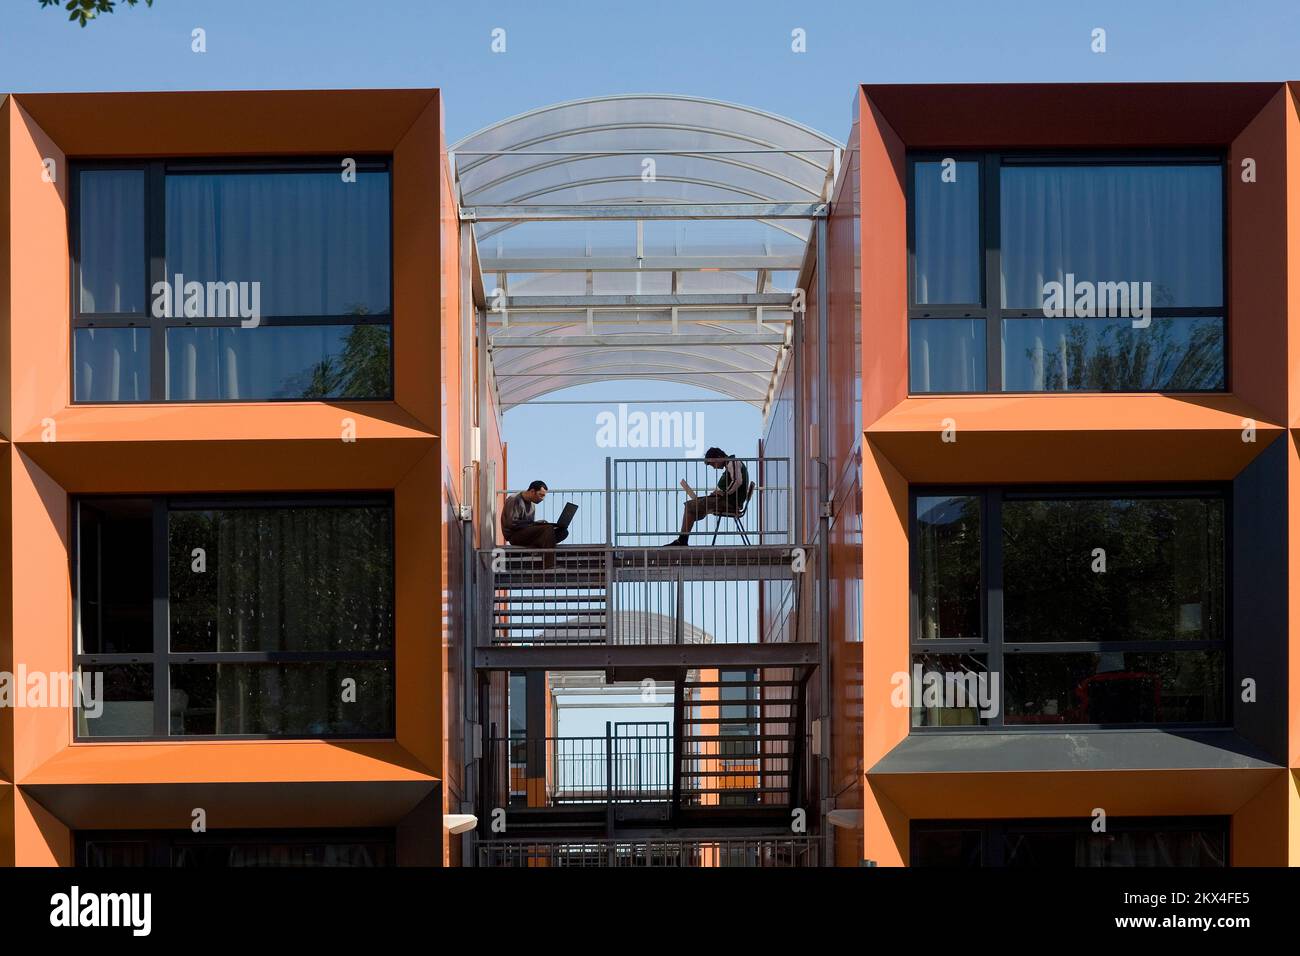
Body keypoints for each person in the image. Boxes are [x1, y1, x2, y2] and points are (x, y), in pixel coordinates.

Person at [662, 448, 749, 547]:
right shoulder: (730, 464)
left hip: (730, 502)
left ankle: (682, 540)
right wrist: (719, 493)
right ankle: (682, 540)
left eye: (713, 464)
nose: (714, 468)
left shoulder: (733, 462)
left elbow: (737, 481)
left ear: (719, 457)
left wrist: (724, 493)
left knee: (690, 506)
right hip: (728, 500)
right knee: (692, 508)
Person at [501, 480, 569, 548]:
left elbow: (529, 525)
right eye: (541, 495)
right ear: (532, 491)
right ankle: (548, 555)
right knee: (547, 529)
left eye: (544, 496)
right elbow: (512, 524)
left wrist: (537, 524)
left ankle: (541, 547)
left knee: (562, 532)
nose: (542, 499)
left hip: (526, 534)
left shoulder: (532, 505)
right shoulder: (515, 499)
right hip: (514, 536)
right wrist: (535, 524)